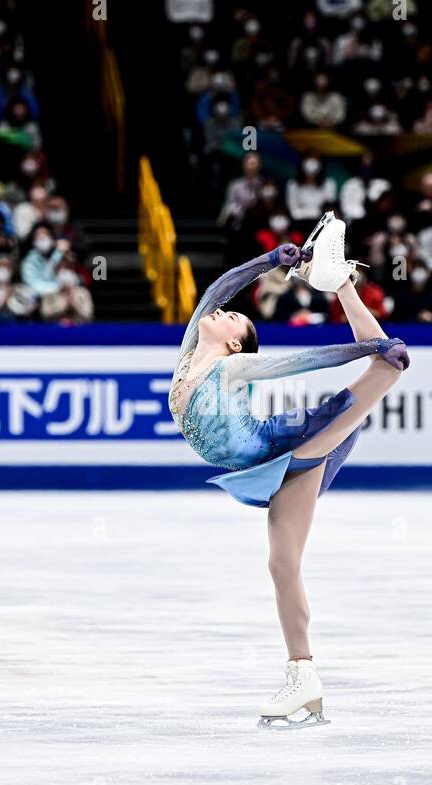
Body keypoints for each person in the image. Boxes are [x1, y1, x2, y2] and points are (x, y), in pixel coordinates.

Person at [167, 213, 409, 730]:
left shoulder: (232, 368)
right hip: (271, 468)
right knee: (282, 565)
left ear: (236, 344)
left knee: (387, 369)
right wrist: (268, 262)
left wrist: (370, 349)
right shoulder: (193, 352)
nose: (225, 314)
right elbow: (216, 289)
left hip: (294, 448)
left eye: (235, 321)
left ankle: (341, 282)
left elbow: (307, 362)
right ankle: (305, 682)